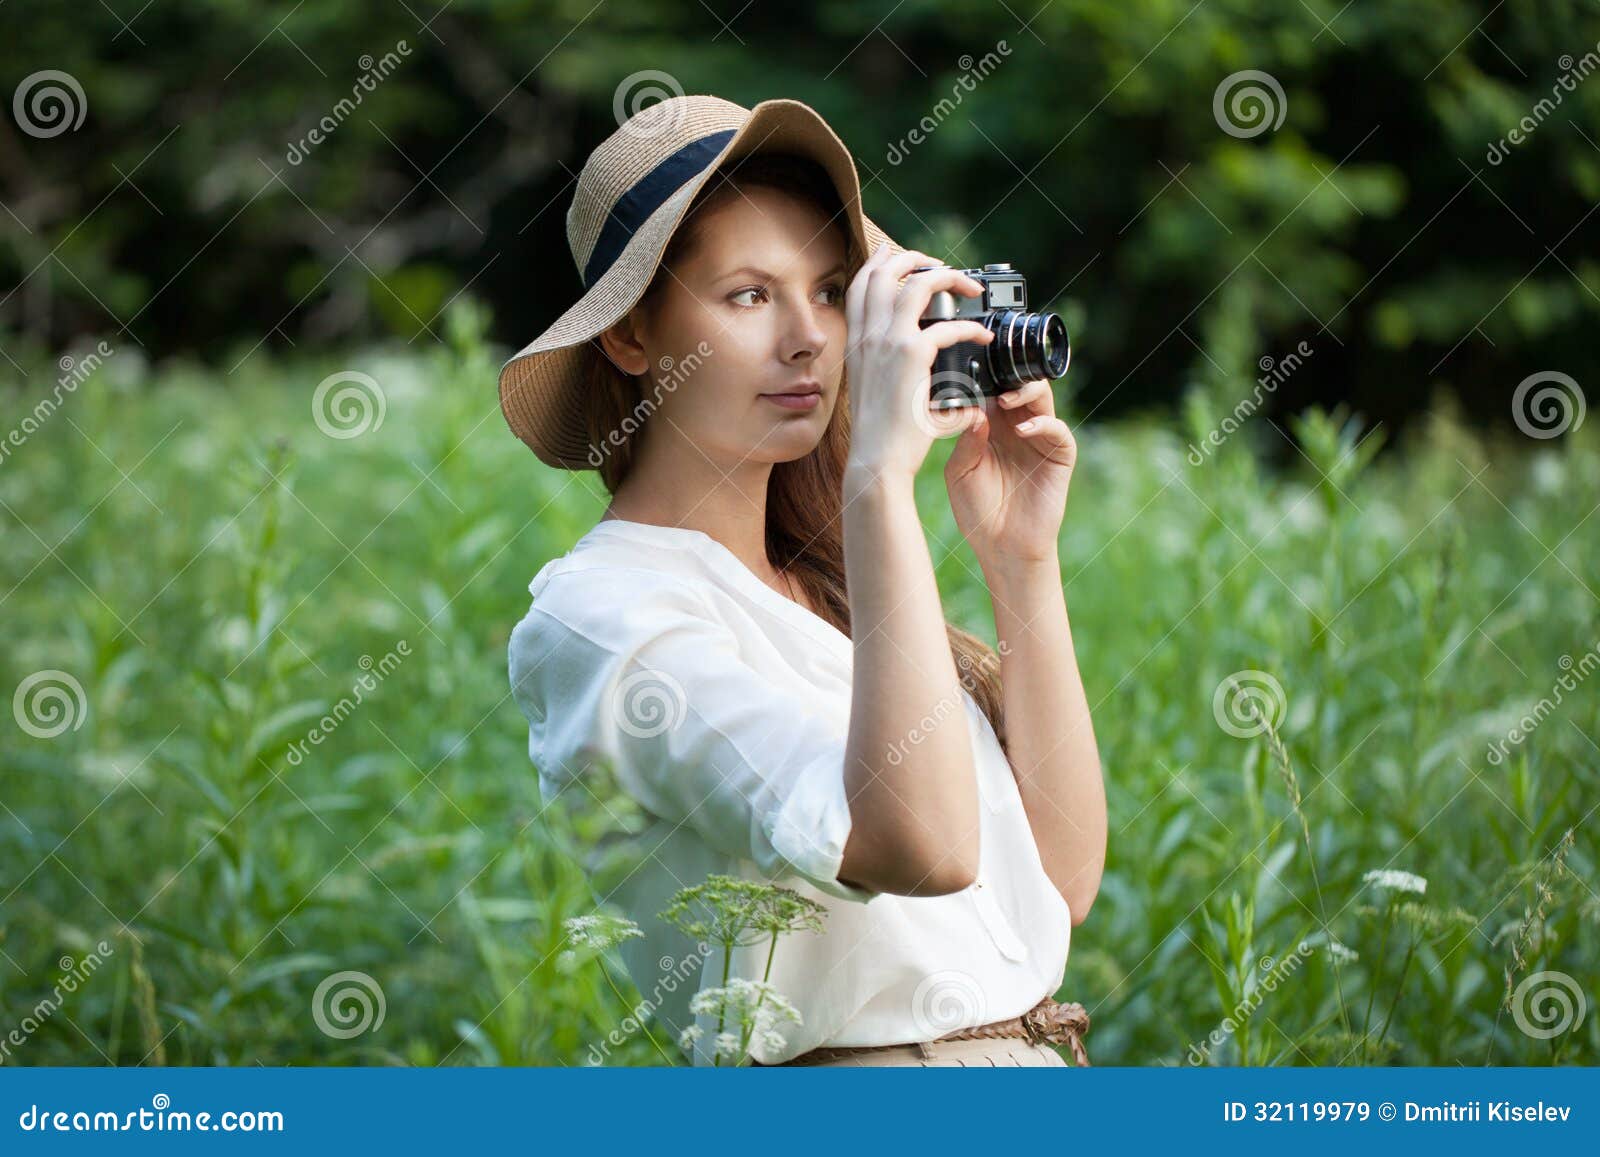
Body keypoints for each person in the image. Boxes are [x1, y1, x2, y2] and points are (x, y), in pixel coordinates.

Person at [501, 94, 1106, 1066]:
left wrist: (1018, 560)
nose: (809, 339)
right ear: (629, 337)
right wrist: (877, 477)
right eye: (748, 294)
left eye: (831, 291)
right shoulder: (603, 618)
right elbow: (924, 850)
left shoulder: (830, 591)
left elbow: (1062, 880)